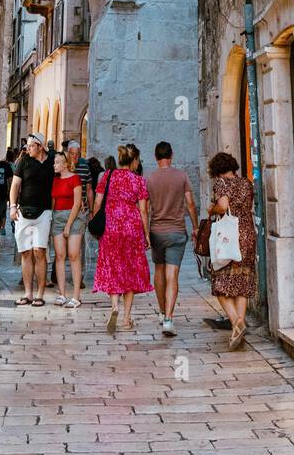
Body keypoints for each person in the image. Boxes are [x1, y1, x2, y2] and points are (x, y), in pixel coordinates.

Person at [92, 143, 152, 333]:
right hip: (132, 228)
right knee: (130, 270)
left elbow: (97, 201)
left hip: (111, 226)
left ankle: (114, 306)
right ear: (134, 161)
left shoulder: (108, 176)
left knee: (112, 267)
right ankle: (126, 319)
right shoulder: (139, 180)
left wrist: (96, 224)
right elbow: (143, 210)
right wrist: (147, 234)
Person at [146, 141, 198, 338]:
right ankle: (168, 318)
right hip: (177, 231)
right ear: (172, 155)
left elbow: (145, 208)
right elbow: (190, 204)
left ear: (155, 157)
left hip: (157, 231)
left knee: (159, 270)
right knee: (172, 275)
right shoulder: (182, 176)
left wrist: (145, 233)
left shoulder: (149, 179)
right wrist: (195, 227)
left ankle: (161, 311)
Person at [207, 151, 256, 351]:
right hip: (247, 233)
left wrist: (212, 210)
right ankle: (240, 323)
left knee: (220, 281)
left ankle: (236, 321)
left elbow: (223, 206)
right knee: (242, 281)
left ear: (217, 170)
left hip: (229, 236)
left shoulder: (221, 184)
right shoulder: (246, 183)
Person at [9, 135, 54, 306]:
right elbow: (15, 186)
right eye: (27, 146)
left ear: (40, 146)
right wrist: (13, 206)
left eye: (30, 146)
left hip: (43, 212)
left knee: (39, 252)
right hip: (23, 212)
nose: (27, 149)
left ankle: (40, 294)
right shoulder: (23, 162)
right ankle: (28, 293)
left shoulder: (51, 162)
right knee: (26, 252)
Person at [50, 150, 84, 307]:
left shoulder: (75, 178)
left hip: (74, 218)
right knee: (60, 255)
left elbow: (77, 203)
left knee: (74, 255)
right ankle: (62, 294)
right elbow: (53, 201)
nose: (54, 165)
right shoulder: (55, 180)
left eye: (57, 162)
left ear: (65, 164)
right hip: (57, 217)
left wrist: (68, 226)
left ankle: (76, 296)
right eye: (54, 162)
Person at [0, 155, 13, 238]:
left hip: (2, 194)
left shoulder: (7, 166)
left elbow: (10, 180)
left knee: (1, 214)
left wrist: (10, 192)